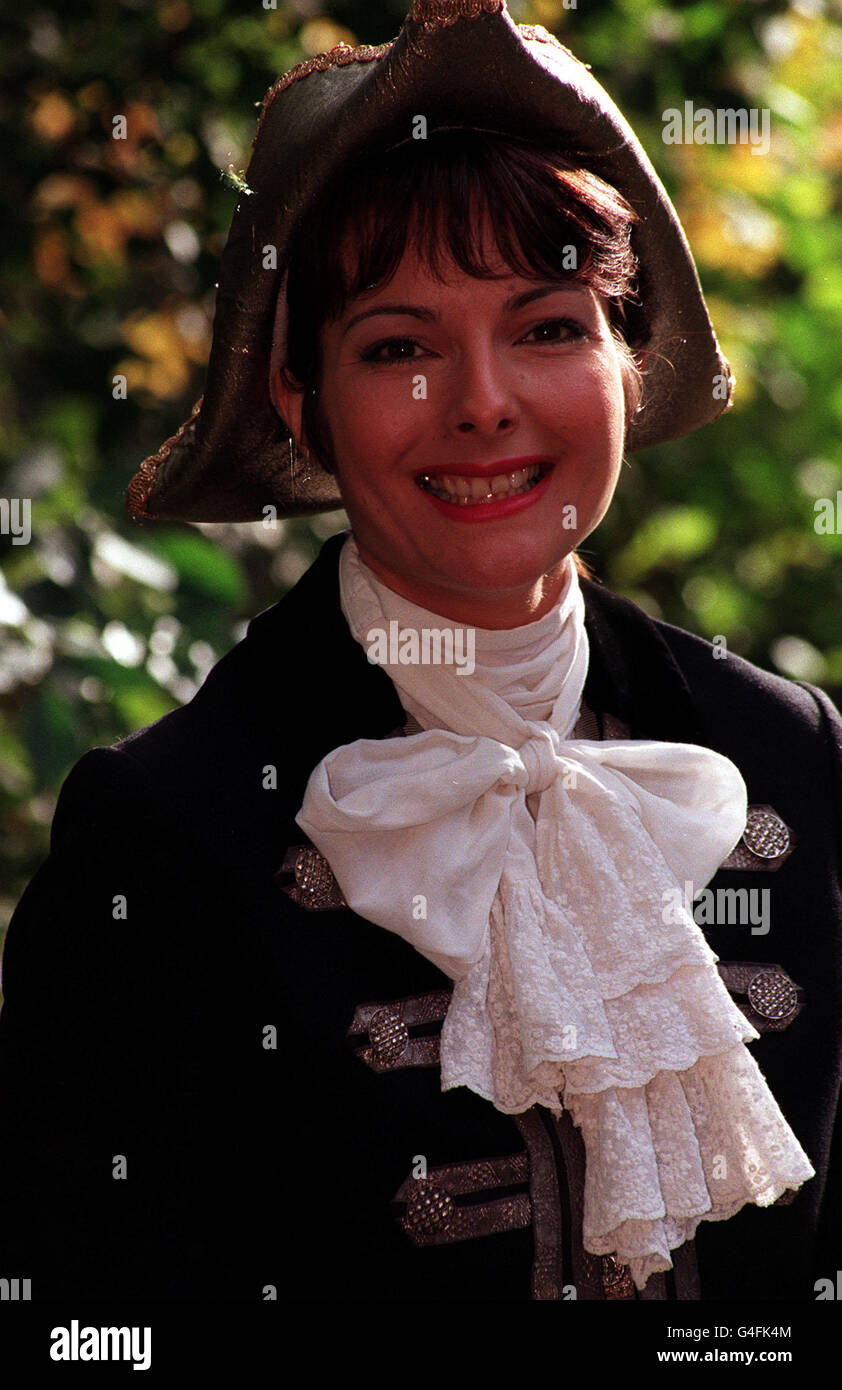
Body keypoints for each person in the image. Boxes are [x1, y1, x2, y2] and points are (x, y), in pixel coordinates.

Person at [0, 0, 840, 1305]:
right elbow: (82, 1327)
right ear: (300, 396)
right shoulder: (164, 832)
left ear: (626, 362)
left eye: (550, 325)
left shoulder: (790, 755)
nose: (483, 401)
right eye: (398, 346)